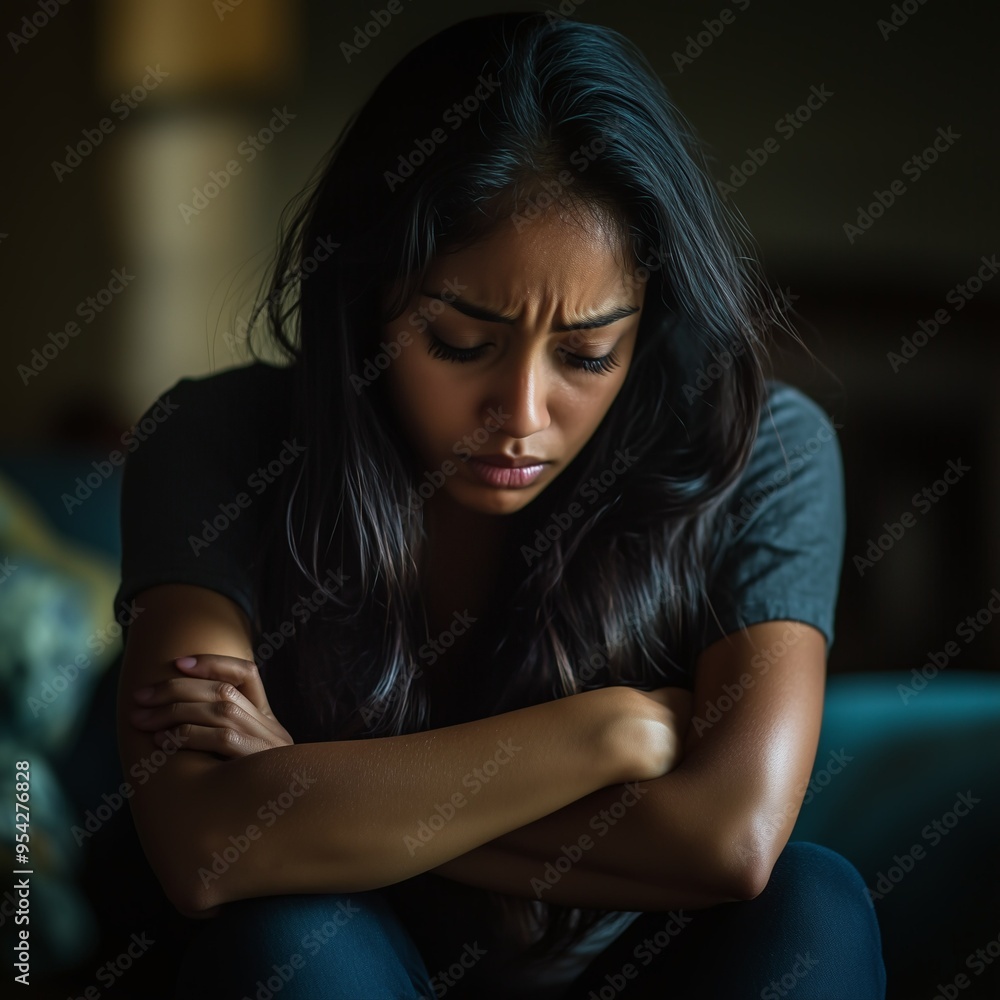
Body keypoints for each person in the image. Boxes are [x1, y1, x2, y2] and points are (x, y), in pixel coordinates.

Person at [114, 9, 886, 998]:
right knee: (286, 928)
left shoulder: (759, 450)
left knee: (813, 902)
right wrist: (607, 734)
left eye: (586, 355)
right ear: (369, 300)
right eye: (459, 343)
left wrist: (308, 792)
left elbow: (729, 840)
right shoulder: (218, 438)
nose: (520, 415)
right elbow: (208, 844)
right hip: (349, 964)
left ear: (646, 328)